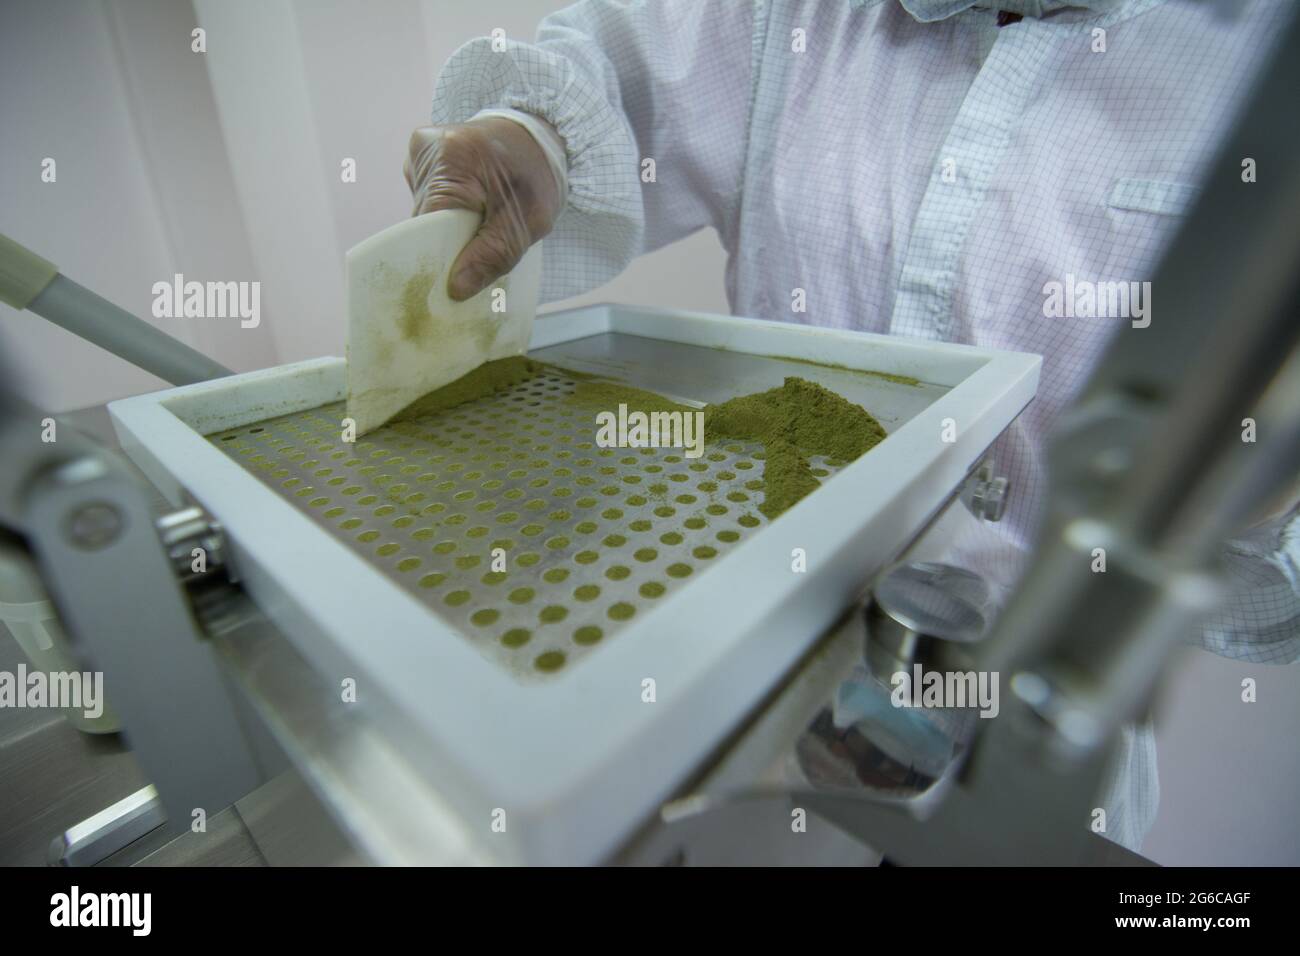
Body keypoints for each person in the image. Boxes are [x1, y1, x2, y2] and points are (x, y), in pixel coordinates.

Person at [405, 0, 1300, 852]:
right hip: (751, 685)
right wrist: (531, 136)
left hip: (1029, 765)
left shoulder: (1261, 60)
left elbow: (1264, 591)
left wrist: (1260, 486)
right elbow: (610, 76)